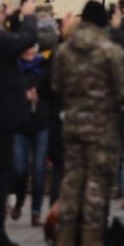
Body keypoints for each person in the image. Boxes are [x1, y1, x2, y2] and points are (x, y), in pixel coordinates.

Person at [53, 1, 124, 246]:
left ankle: (65, 240)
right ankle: (91, 241)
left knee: (71, 184)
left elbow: (56, 85)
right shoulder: (110, 51)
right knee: (96, 190)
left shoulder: (65, 50)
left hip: (72, 128)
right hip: (102, 130)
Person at [0, 0, 39, 246]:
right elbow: (24, 40)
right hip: (2, 120)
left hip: (5, 119)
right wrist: (29, 15)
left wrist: (14, 17)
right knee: (3, 175)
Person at [11, 36, 56, 227]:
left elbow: (52, 92)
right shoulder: (14, 68)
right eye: (26, 48)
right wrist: (23, 96)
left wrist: (41, 95)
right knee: (20, 170)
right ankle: (20, 199)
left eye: (32, 48)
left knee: (39, 170)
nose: (30, 52)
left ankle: (36, 212)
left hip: (41, 123)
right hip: (21, 125)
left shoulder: (44, 66)